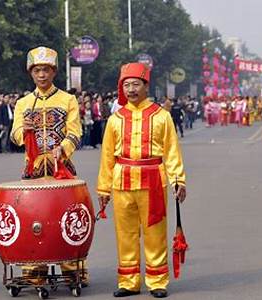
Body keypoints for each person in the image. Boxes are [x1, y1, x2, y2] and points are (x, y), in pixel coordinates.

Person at [97, 62, 186, 298]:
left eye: (136, 84)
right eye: (126, 85)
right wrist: (103, 188)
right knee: (125, 234)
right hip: (121, 181)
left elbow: (171, 151)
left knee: (154, 232)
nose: (131, 89)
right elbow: (107, 155)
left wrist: (178, 180)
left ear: (146, 86)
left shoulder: (162, 116)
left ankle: (157, 281)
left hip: (153, 180)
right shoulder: (115, 119)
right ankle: (129, 281)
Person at [9, 46, 86, 284]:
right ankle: (34, 270)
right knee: (33, 218)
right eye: (37, 70)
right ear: (31, 73)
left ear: (54, 72)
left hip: (61, 169)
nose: (41, 75)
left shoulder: (67, 99)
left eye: (46, 70)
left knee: (65, 218)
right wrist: (25, 131)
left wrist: (62, 148)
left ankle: (72, 268)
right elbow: (14, 135)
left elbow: (76, 131)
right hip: (33, 171)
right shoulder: (23, 103)